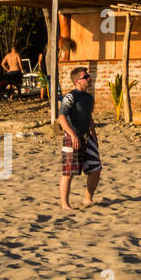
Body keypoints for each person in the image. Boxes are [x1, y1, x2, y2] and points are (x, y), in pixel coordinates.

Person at [58, 67, 102, 210]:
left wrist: (93, 134)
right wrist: (72, 134)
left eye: (88, 76)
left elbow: (88, 116)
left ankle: (87, 199)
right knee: (68, 173)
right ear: (77, 81)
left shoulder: (89, 98)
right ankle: (65, 204)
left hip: (87, 138)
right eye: (85, 77)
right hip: (72, 137)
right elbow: (61, 117)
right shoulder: (71, 96)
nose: (88, 78)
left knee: (96, 169)